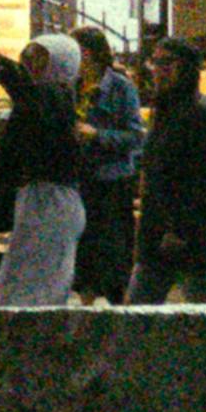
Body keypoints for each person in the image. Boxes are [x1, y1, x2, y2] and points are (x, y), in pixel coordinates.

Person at [0, 25, 87, 305]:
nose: (32, 66)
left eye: (40, 59)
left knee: (40, 285)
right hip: (40, 198)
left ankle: (32, 331)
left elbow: (24, 90)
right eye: (30, 58)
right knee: (25, 280)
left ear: (59, 64)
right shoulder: (48, 98)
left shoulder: (54, 97)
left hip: (52, 202)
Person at [128, 34, 206, 302]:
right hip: (157, 231)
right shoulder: (164, 110)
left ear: (186, 67)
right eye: (155, 63)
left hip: (193, 236)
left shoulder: (202, 114)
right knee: (137, 312)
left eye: (167, 64)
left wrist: (179, 230)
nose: (157, 71)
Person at [72, 20, 146, 304]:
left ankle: (118, 308)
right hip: (81, 179)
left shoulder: (120, 87)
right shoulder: (72, 86)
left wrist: (97, 135)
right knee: (84, 251)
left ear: (87, 54)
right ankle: (86, 306)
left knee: (114, 251)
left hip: (112, 181)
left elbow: (135, 136)